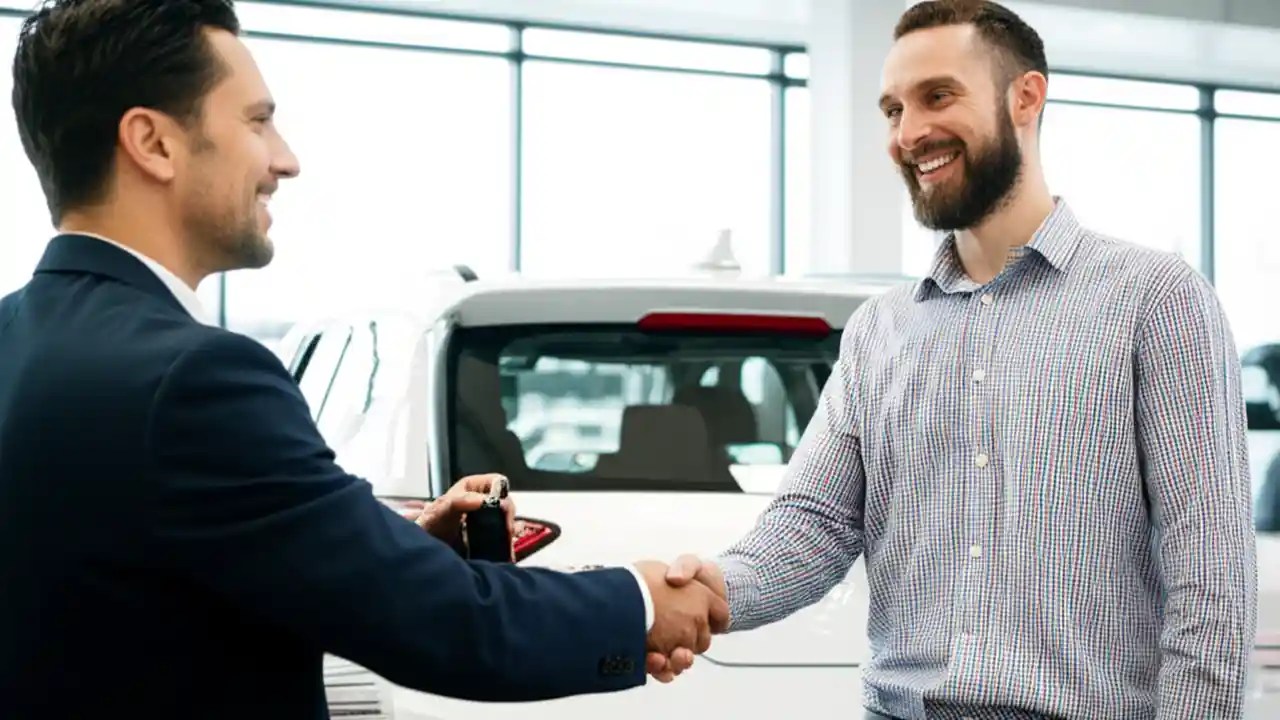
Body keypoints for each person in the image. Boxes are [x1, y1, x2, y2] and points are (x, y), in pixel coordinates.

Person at [0, 1, 724, 717]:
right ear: (152, 143)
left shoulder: (16, 338)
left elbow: (135, 567)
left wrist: (394, 542)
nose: (284, 159)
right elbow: (443, 623)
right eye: (257, 120)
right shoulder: (195, 379)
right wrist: (638, 601)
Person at [655, 1, 1258, 718]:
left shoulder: (1155, 301)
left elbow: (1210, 578)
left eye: (938, 96)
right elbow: (812, 526)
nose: (909, 133)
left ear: (1025, 97)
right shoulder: (880, 331)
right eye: (892, 110)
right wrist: (709, 589)